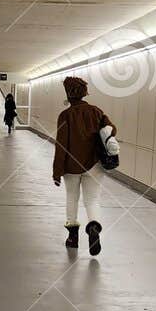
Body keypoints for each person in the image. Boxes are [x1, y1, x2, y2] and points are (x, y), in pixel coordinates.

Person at [52, 75, 114, 255]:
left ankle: (73, 238)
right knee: (92, 200)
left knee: (72, 198)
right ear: (84, 93)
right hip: (94, 164)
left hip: (71, 166)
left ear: (68, 94)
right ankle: (93, 227)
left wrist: (57, 171)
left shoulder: (65, 115)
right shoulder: (96, 111)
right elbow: (111, 129)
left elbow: (61, 145)